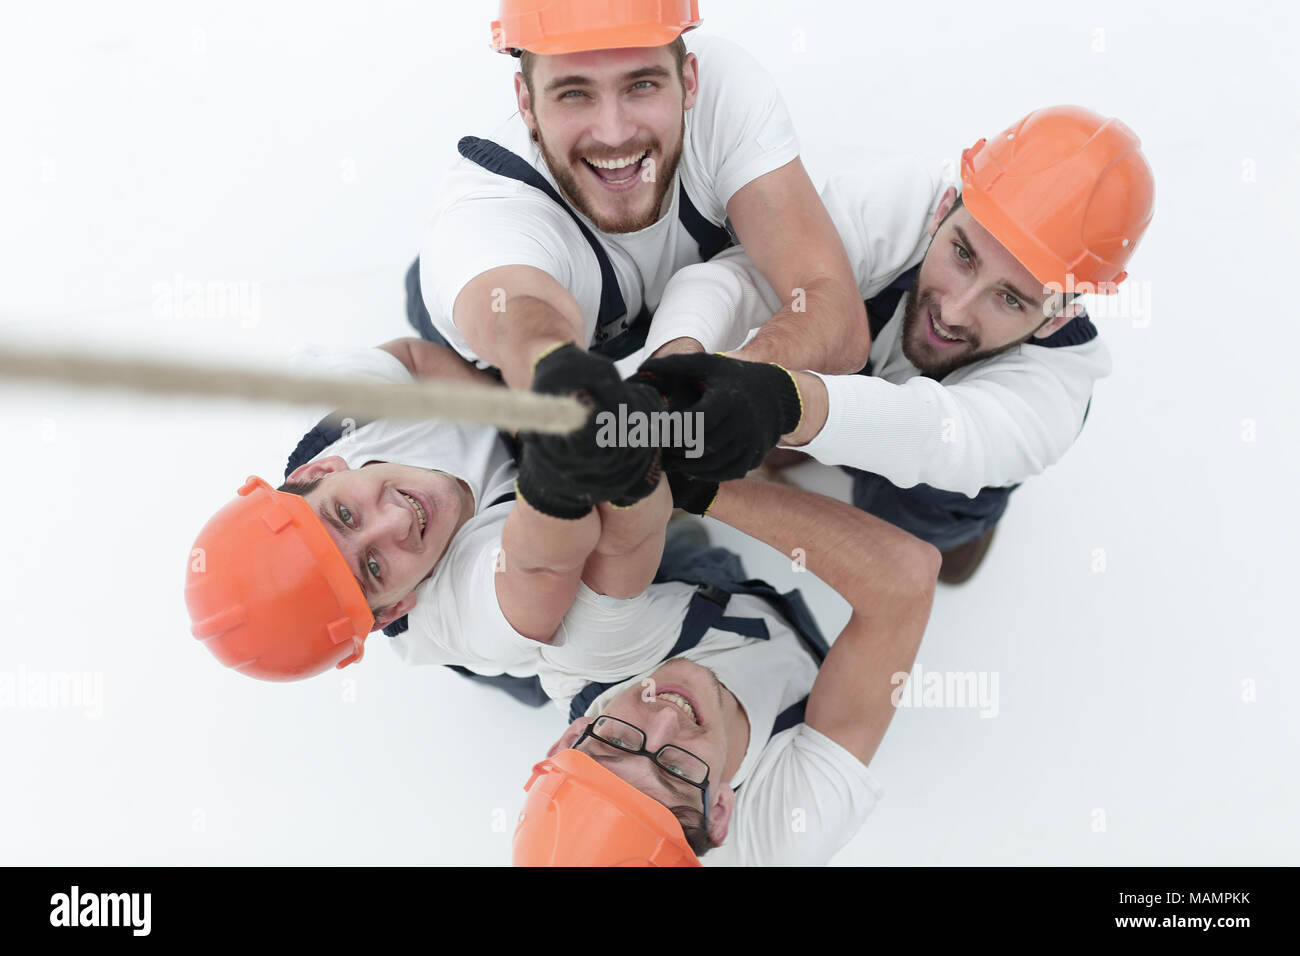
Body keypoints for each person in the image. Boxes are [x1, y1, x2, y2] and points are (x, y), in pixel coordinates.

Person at [618, 105, 1156, 583]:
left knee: (915, 529)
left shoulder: (1053, 399)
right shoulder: (895, 204)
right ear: (944, 206)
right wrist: (674, 364)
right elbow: (741, 281)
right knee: (797, 333)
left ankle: (946, 528)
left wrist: (777, 402)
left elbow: (935, 438)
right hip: (844, 388)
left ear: (1057, 319)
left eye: (1010, 300)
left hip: (935, 479)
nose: (953, 311)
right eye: (963, 255)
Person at [406, 0, 869, 397]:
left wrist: (728, 384)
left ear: (689, 81)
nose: (614, 133)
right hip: (482, 355)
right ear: (525, 102)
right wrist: (558, 372)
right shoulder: (482, 221)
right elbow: (525, 320)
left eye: (641, 85)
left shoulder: (725, 93)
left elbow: (837, 315)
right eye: (574, 93)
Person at [514, 476, 940, 866]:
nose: (665, 717)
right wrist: (706, 483)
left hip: (682, 589)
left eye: (617, 742)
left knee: (517, 644)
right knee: (940, 518)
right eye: (678, 771)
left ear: (573, 737)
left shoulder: (584, 655)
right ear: (719, 809)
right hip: (728, 623)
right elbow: (906, 579)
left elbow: (626, 481)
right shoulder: (788, 824)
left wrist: (666, 471)